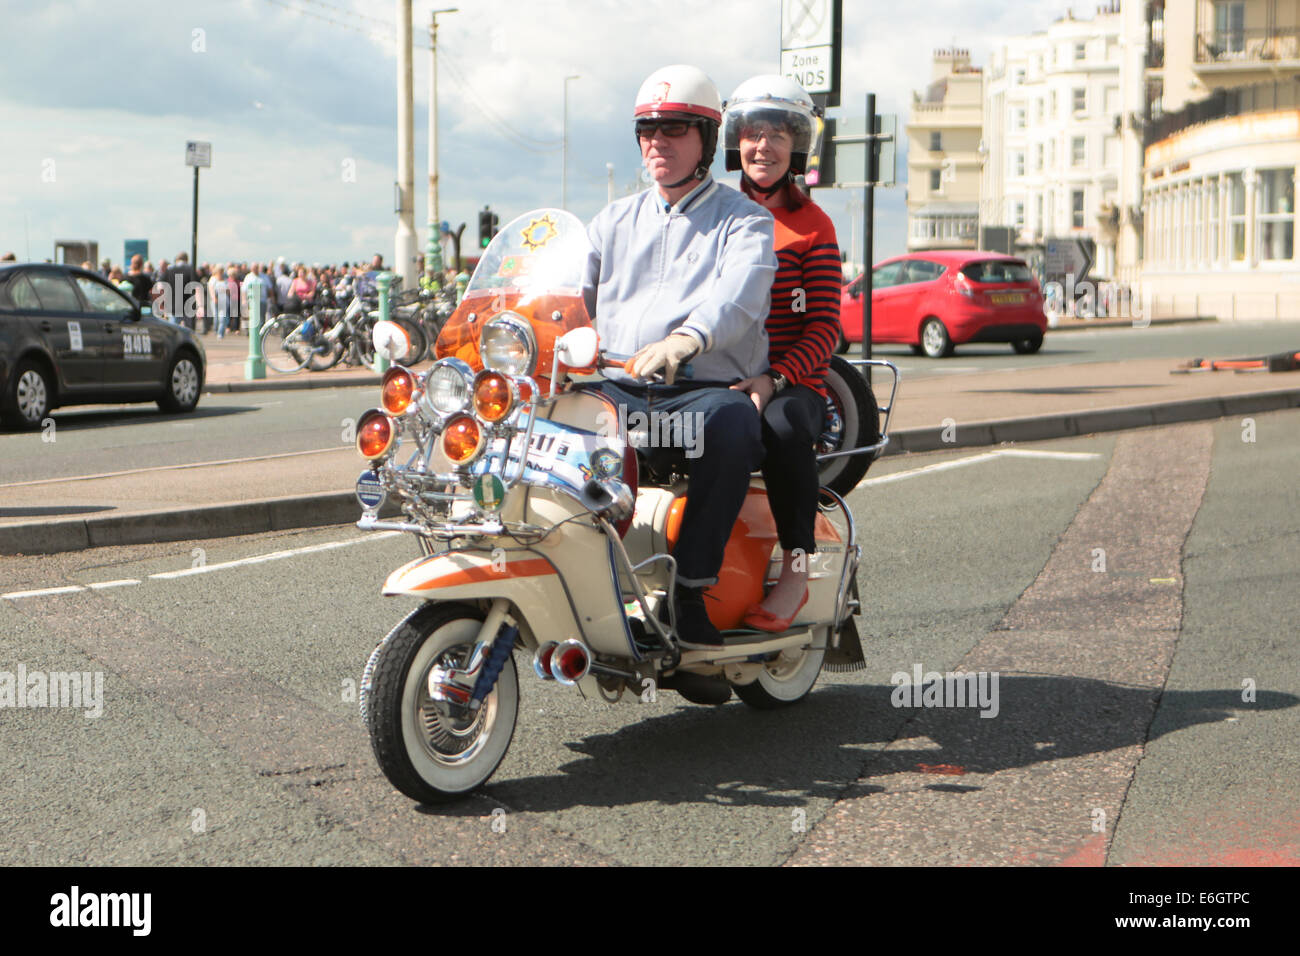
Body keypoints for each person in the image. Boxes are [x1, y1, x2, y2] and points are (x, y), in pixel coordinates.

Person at [582, 64, 777, 649]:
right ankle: (579, 574)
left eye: (674, 128)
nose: (656, 142)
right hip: (616, 389)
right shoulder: (609, 222)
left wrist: (687, 339)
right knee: (541, 418)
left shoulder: (745, 221)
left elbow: (739, 298)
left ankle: (690, 593)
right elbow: (567, 296)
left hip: (694, 391)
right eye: (646, 130)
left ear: (707, 141)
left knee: (733, 421)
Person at [721, 76, 842, 631]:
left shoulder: (814, 226)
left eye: (776, 134)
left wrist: (776, 377)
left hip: (794, 385)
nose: (762, 145)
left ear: (797, 146)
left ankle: (796, 565)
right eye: (752, 133)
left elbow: (825, 329)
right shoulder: (713, 212)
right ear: (734, 142)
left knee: (783, 426)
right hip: (718, 374)